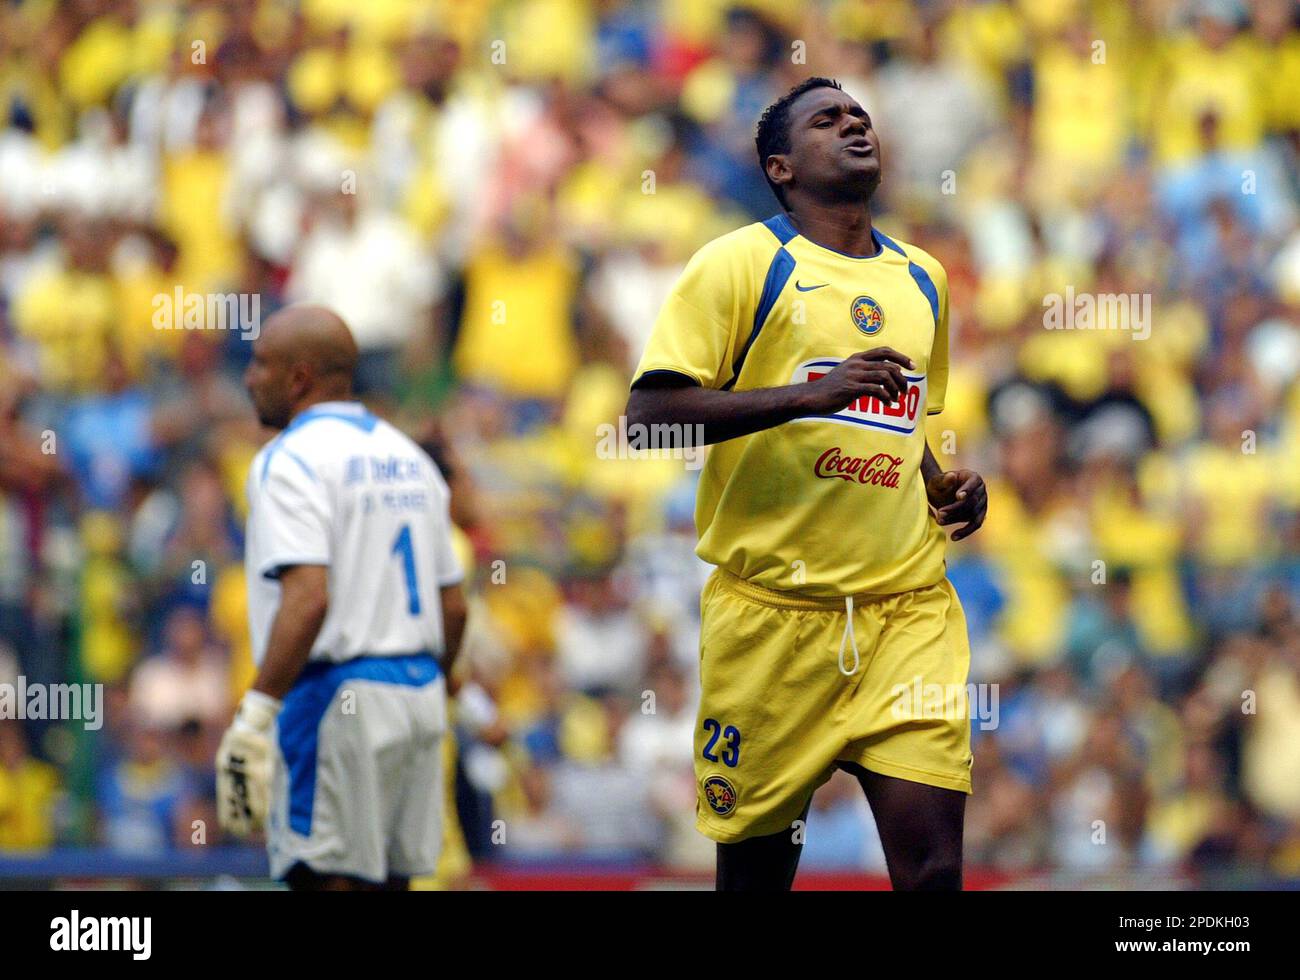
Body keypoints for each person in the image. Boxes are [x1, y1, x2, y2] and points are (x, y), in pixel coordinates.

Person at [625, 78, 988, 891]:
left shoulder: (923, 277)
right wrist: (804, 395)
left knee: (934, 871)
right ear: (782, 167)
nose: (855, 122)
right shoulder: (740, 264)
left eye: (860, 113)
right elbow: (648, 415)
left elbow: (897, 417)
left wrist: (940, 482)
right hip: (770, 624)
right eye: (829, 119)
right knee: (755, 881)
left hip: (905, 614)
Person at [215, 304, 468, 890]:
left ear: (299, 378)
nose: (249, 378)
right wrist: (446, 677)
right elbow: (453, 606)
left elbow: (308, 599)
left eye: (260, 364)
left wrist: (255, 715)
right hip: (419, 694)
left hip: (337, 699)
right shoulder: (410, 457)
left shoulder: (288, 461)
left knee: (323, 877)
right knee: (392, 881)